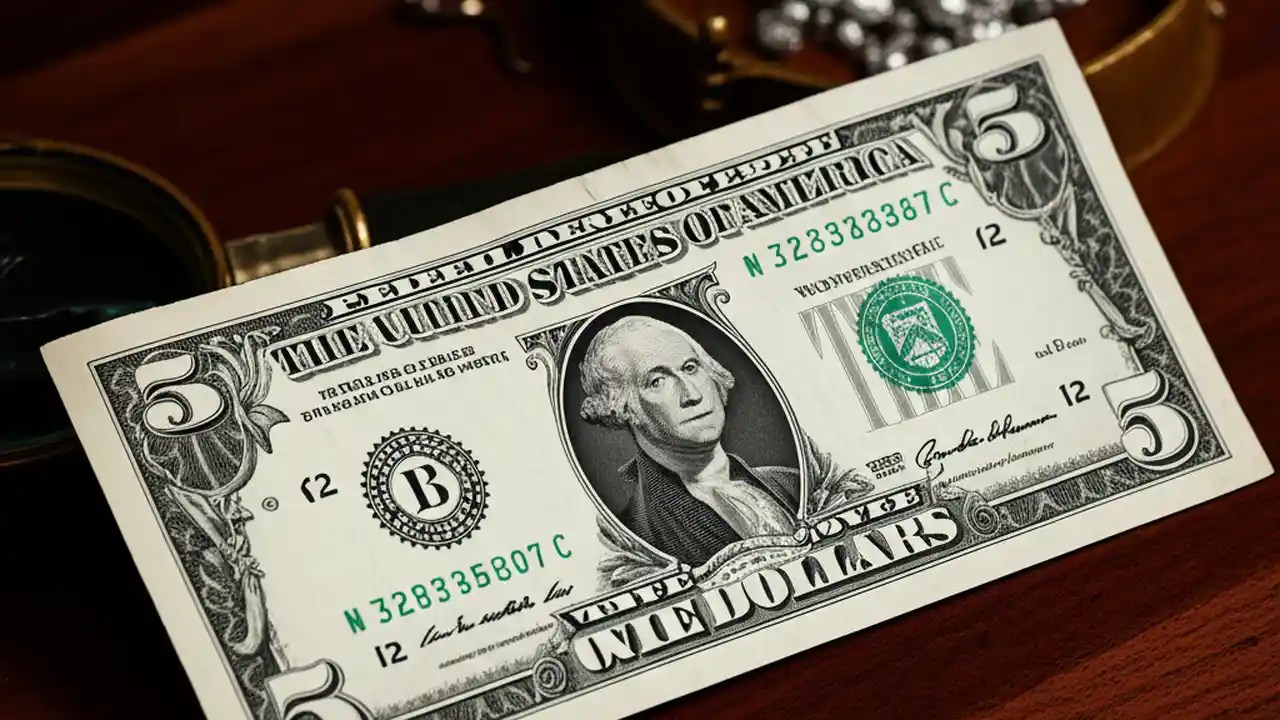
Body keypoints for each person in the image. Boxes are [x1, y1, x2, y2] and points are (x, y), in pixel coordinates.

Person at [579, 315, 801, 567]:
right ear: (623, 408)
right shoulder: (639, 540)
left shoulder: (790, 483)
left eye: (690, 368)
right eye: (657, 381)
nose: (692, 394)